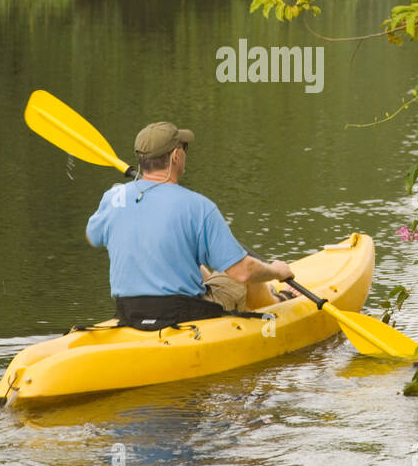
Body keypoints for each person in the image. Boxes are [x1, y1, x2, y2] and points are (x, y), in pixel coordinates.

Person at [85, 121, 296, 330]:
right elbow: (243, 272)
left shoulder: (113, 197)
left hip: (129, 312)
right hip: (183, 312)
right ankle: (278, 301)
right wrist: (277, 271)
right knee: (248, 267)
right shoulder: (198, 206)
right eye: (185, 148)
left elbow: (92, 237)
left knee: (192, 257)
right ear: (176, 155)